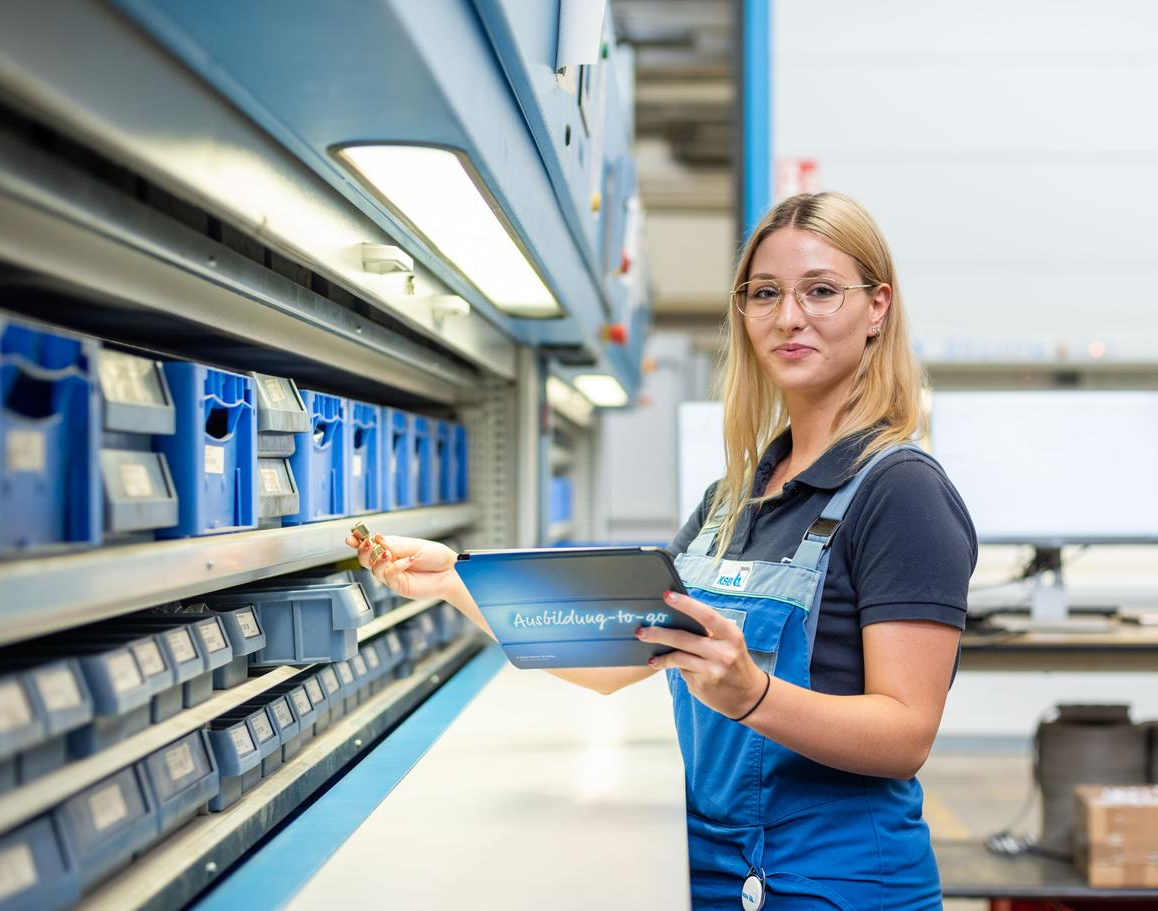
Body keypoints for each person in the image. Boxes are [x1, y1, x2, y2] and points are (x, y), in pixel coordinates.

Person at [346, 192, 976, 910]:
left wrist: (753, 695)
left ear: (877, 308)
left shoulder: (902, 491)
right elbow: (622, 654)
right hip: (710, 876)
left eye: (822, 291)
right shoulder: (732, 496)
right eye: (764, 293)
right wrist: (456, 581)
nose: (789, 316)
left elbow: (905, 732)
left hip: (836, 884)